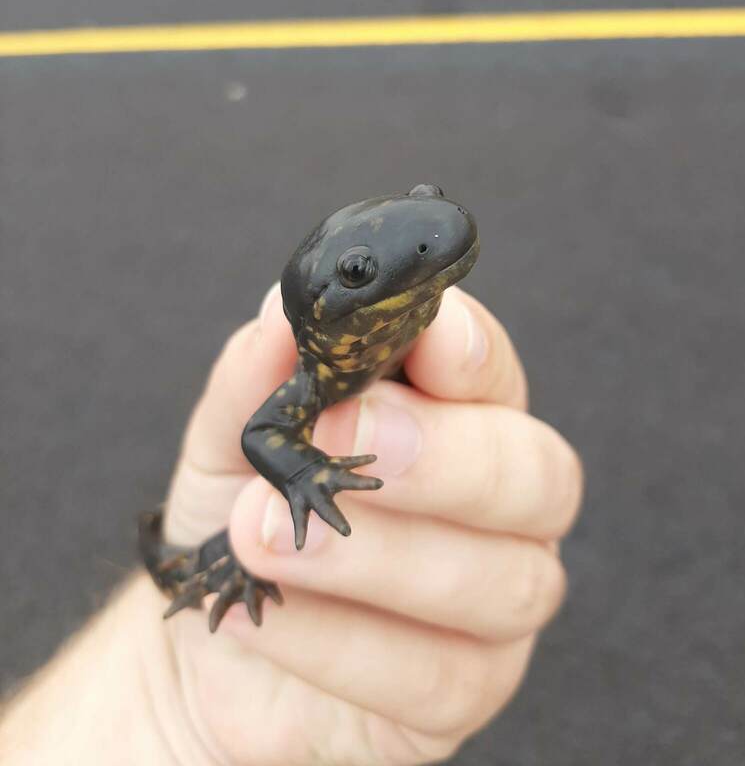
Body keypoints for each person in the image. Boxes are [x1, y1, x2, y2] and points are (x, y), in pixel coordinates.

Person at [0, 284, 583, 765]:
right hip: (230, 586)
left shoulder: (393, 344)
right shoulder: (305, 371)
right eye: (357, 269)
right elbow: (260, 433)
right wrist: (170, 705)